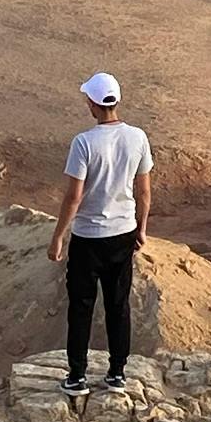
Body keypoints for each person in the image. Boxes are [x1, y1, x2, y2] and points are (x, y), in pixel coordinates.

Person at [48, 70, 152, 397]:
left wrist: (58, 236)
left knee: (81, 305)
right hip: (123, 233)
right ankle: (117, 374)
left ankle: (76, 377)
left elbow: (74, 196)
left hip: (88, 238)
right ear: (117, 101)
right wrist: (142, 228)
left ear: (93, 104)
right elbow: (144, 191)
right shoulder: (138, 137)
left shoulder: (83, 143)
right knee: (118, 305)